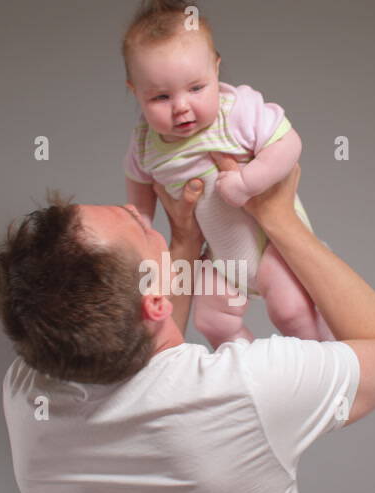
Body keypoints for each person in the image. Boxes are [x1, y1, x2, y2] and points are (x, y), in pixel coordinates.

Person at [0, 152, 375, 493]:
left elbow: (146, 345)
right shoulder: (246, 391)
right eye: (138, 225)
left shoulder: (26, 393)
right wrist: (281, 220)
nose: (137, 209)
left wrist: (182, 241)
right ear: (154, 300)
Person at [121, 0, 334, 347]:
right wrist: (140, 219)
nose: (181, 107)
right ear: (135, 92)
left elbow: (289, 143)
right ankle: (242, 368)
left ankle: (329, 363)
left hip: (271, 241)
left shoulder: (234, 111)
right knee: (211, 321)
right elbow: (139, 179)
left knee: (291, 311)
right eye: (161, 96)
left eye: (196, 88)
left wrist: (248, 182)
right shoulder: (145, 142)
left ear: (216, 70)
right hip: (222, 257)